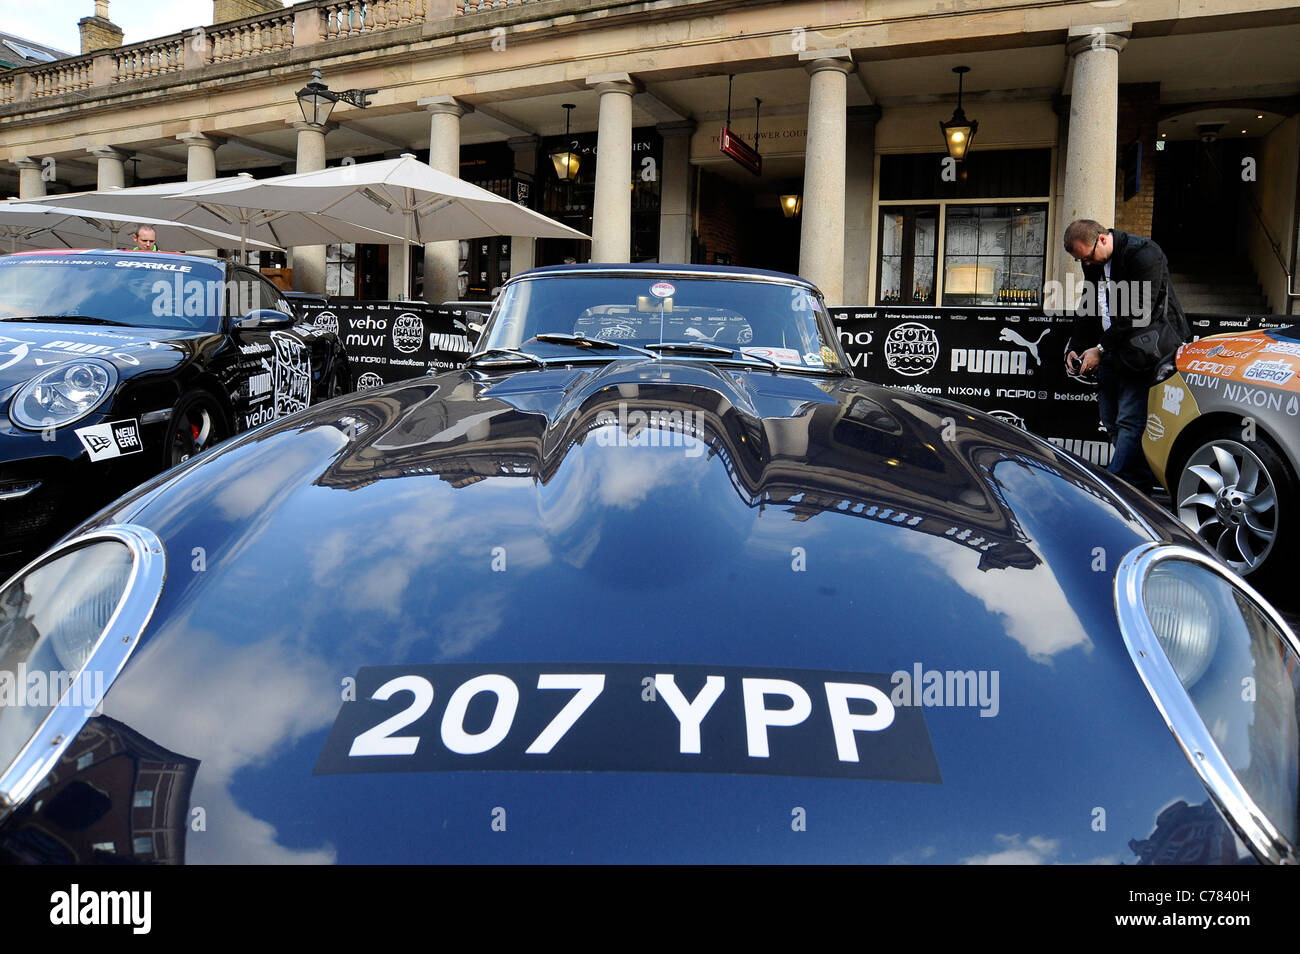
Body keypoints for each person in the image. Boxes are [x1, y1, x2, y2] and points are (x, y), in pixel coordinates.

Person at [1062, 219, 1189, 486]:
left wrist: (1099, 348)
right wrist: (1074, 347)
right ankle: (1138, 489)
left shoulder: (1144, 253)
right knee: (1111, 422)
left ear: (1103, 239)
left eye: (1088, 257)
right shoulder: (1093, 263)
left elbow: (1139, 313)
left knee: (1130, 422)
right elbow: (1088, 306)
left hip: (1144, 352)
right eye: (1081, 261)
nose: (1088, 264)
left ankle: (1114, 488)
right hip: (1110, 348)